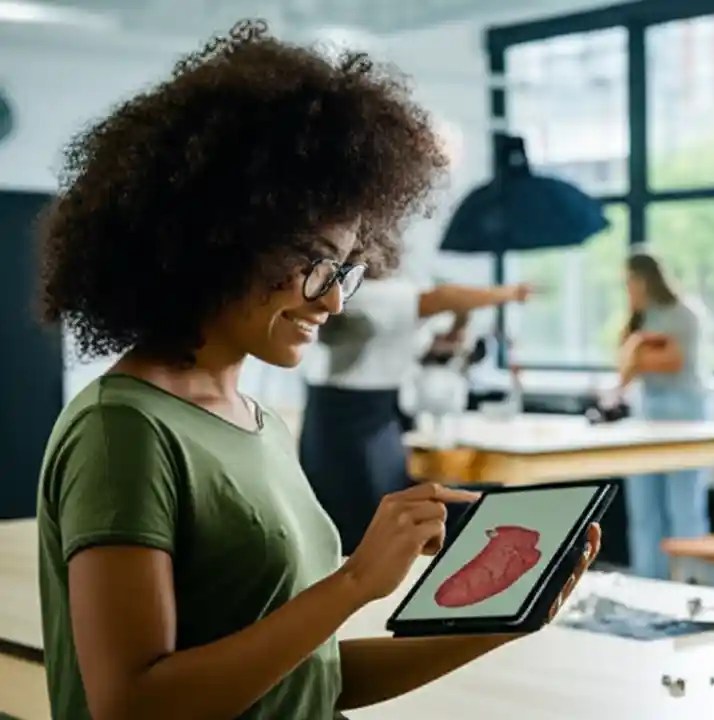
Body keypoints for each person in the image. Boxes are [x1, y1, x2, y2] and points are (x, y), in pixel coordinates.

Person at [32, 21, 600, 720]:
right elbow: (135, 705)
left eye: (347, 271)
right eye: (315, 262)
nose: (333, 298)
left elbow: (309, 679)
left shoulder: (258, 423)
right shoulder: (123, 430)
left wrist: (502, 622)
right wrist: (358, 580)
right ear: (222, 236)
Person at [300, 275, 532, 555]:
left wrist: (459, 322)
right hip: (352, 424)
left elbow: (427, 334)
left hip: (360, 415)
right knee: (365, 526)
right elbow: (447, 297)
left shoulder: (368, 299)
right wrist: (513, 292)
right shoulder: (370, 292)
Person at [612, 253, 712, 580]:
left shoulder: (684, 314)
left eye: (629, 281)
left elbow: (671, 361)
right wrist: (637, 349)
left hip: (685, 415)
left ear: (644, 279)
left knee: (684, 507)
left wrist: (638, 353)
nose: (627, 289)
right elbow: (625, 368)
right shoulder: (640, 320)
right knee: (644, 511)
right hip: (647, 417)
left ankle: (690, 582)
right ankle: (647, 581)